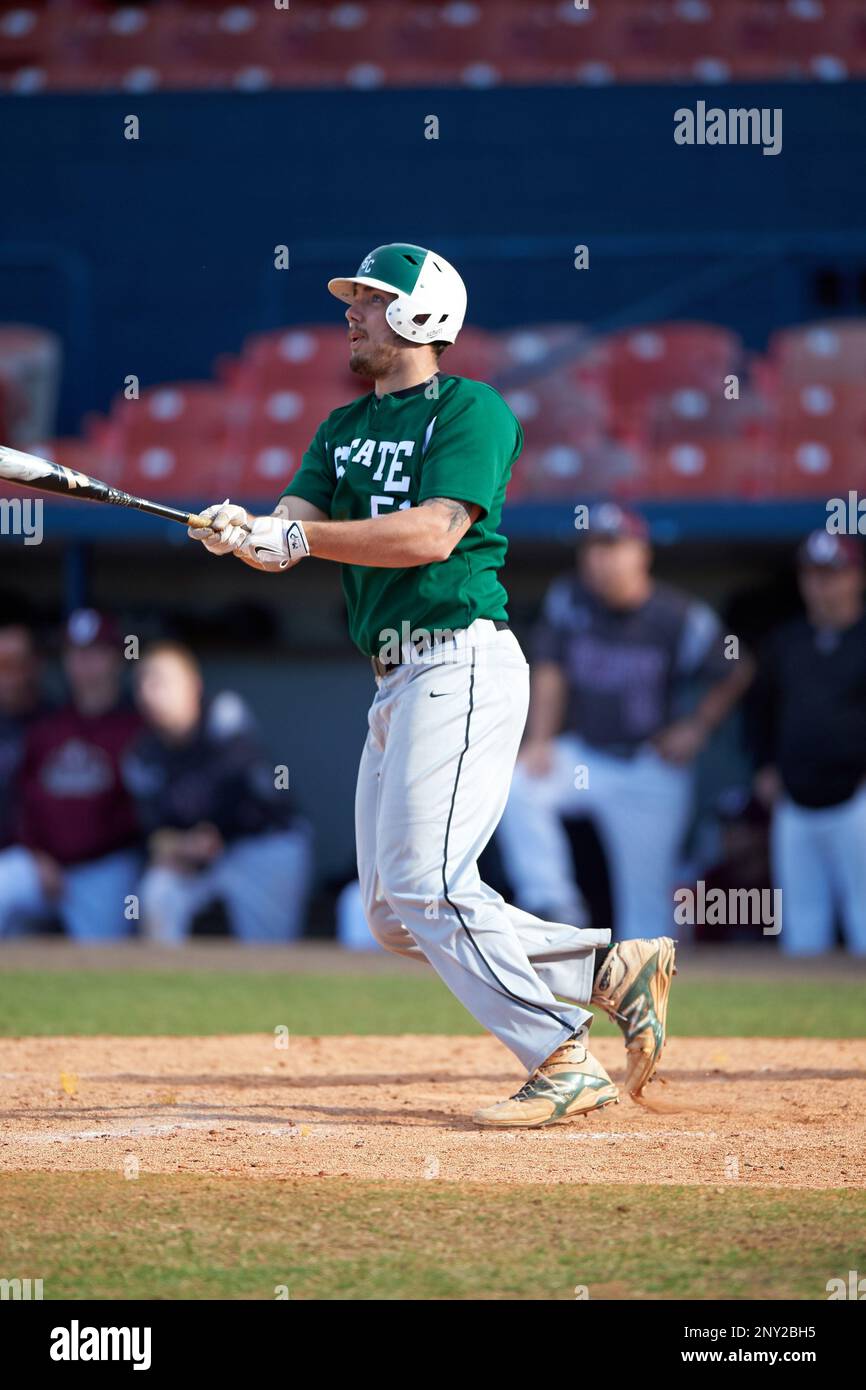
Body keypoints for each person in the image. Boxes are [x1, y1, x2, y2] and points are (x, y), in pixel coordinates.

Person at [186, 241, 678, 1127]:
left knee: (428, 881)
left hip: (460, 658)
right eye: (356, 300)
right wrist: (251, 530)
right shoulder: (339, 429)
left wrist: (298, 539)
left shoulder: (471, 410)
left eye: (371, 300)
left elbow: (431, 536)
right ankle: (606, 969)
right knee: (391, 912)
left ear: (423, 314)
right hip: (393, 679)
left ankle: (560, 1055)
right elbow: (294, 526)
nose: (353, 313)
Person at [498, 503, 752, 939]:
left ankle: (665, 990)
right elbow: (551, 670)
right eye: (592, 548)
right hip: (587, 759)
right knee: (519, 784)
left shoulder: (678, 615)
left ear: (642, 554)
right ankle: (554, 903)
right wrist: (539, 739)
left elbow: (738, 665)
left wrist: (697, 727)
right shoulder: (569, 599)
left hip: (648, 767)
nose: (599, 559)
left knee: (646, 920)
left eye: (612, 547)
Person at [123, 641, 311, 944]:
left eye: (161, 681)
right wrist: (172, 843)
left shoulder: (224, 713)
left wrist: (202, 832)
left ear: (193, 686)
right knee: (157, 892)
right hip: (197, 854)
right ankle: (164, 983)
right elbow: (150, 826)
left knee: (270, 951)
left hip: (264, 841)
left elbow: (235, 779)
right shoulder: (142, 753)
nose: (150, 692)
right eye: (143, 682)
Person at [751, 530, 866, 955]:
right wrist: (764, 765)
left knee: (864, 917)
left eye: (832, 575)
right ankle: (804, 1022)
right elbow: (760, 710)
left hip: (857, 798)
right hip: (794, 799)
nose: (821, 586)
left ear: (856, 578)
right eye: (813, 575)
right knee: (802, 926)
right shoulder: (786, 642)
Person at [0, 609, 143, 941]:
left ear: (117, 659)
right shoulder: (46, 726)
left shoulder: (137, 729)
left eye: (96, 653)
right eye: (77, 654)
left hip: (106, 867)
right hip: (43, 864)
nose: (85, 665)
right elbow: (23, 802)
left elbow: (147, 810)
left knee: (104, 966)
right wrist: (35, 852)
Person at [0, 608, 50, 850]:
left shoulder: (59, 723)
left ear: (36, 664)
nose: (12, 676)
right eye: (3, 664)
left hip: (44, 860)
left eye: (20, 663)